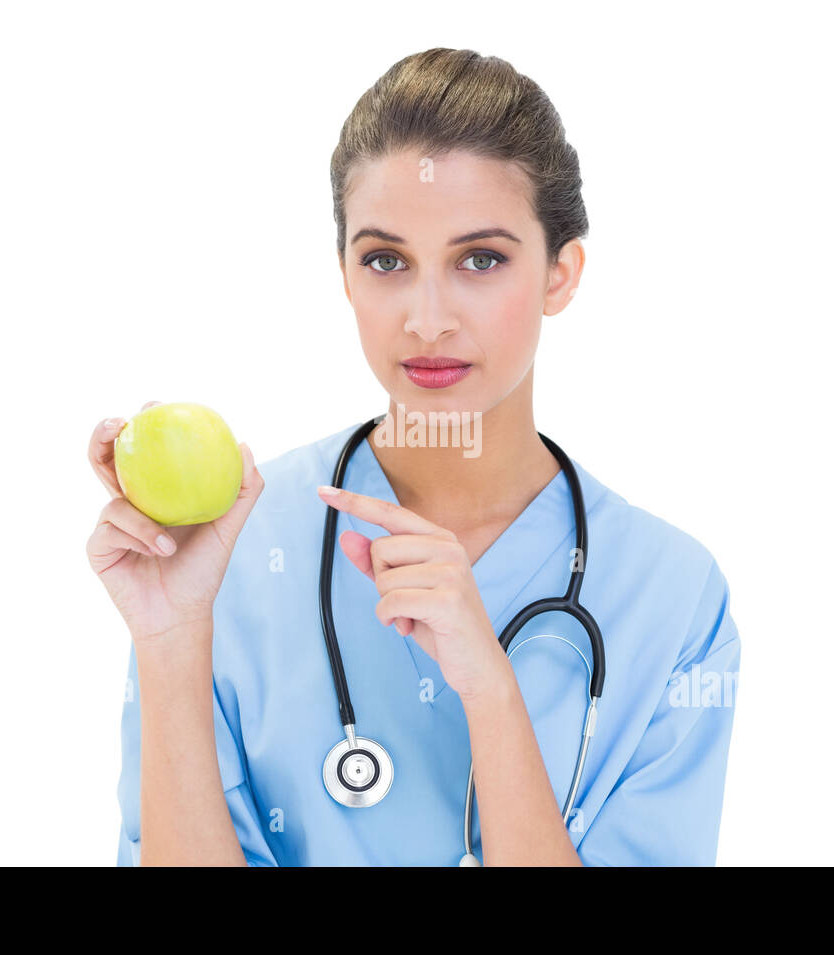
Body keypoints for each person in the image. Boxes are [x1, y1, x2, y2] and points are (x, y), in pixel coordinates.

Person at [86, 47, 741, 866]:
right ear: (346, 277)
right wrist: (173, 641)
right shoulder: (231, 551)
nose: (428, 318)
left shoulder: (672, 597)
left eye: (481, 259)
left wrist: (492, 693)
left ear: (560, 275)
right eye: (387, 261)